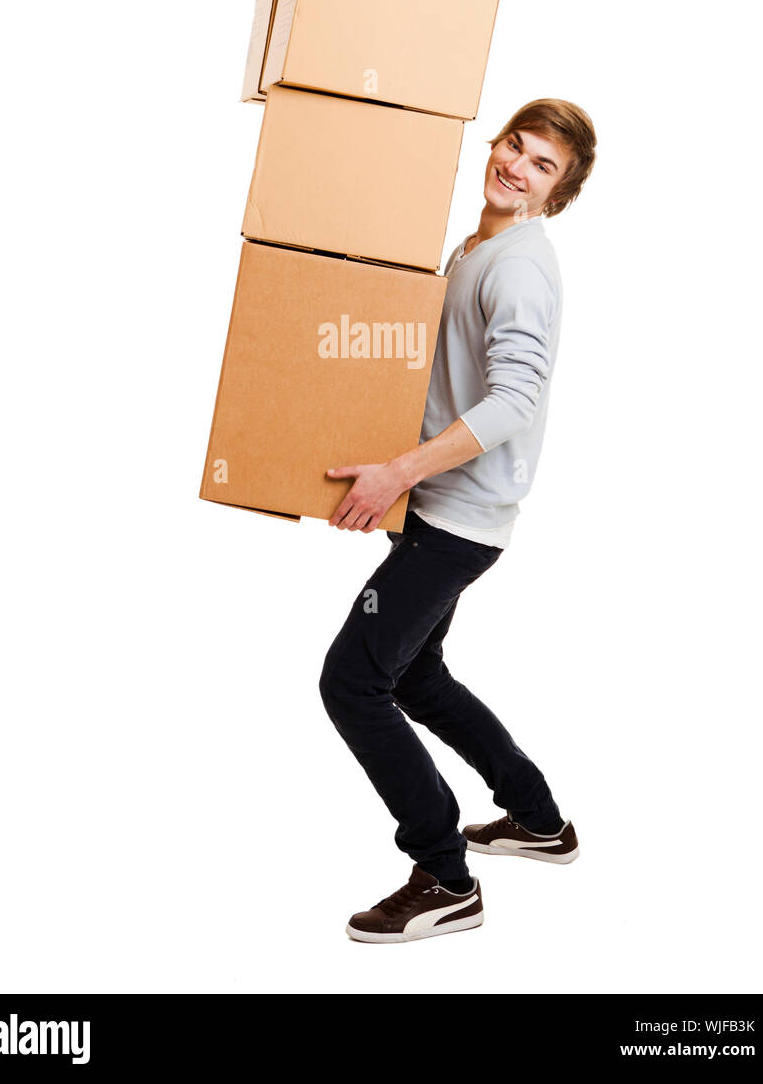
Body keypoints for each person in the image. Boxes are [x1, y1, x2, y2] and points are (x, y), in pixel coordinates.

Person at [320, 97, 597, 944]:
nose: (516, 165)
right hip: (441, 504)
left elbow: (514, 397)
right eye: (517, 144)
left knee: (353, 682)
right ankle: (539, 819)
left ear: (558, 192)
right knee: (414, 677)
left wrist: (402, 472)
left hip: (459, 517)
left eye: (542, 165)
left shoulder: (519, 266)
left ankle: (443, 877)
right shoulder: (475, 248)